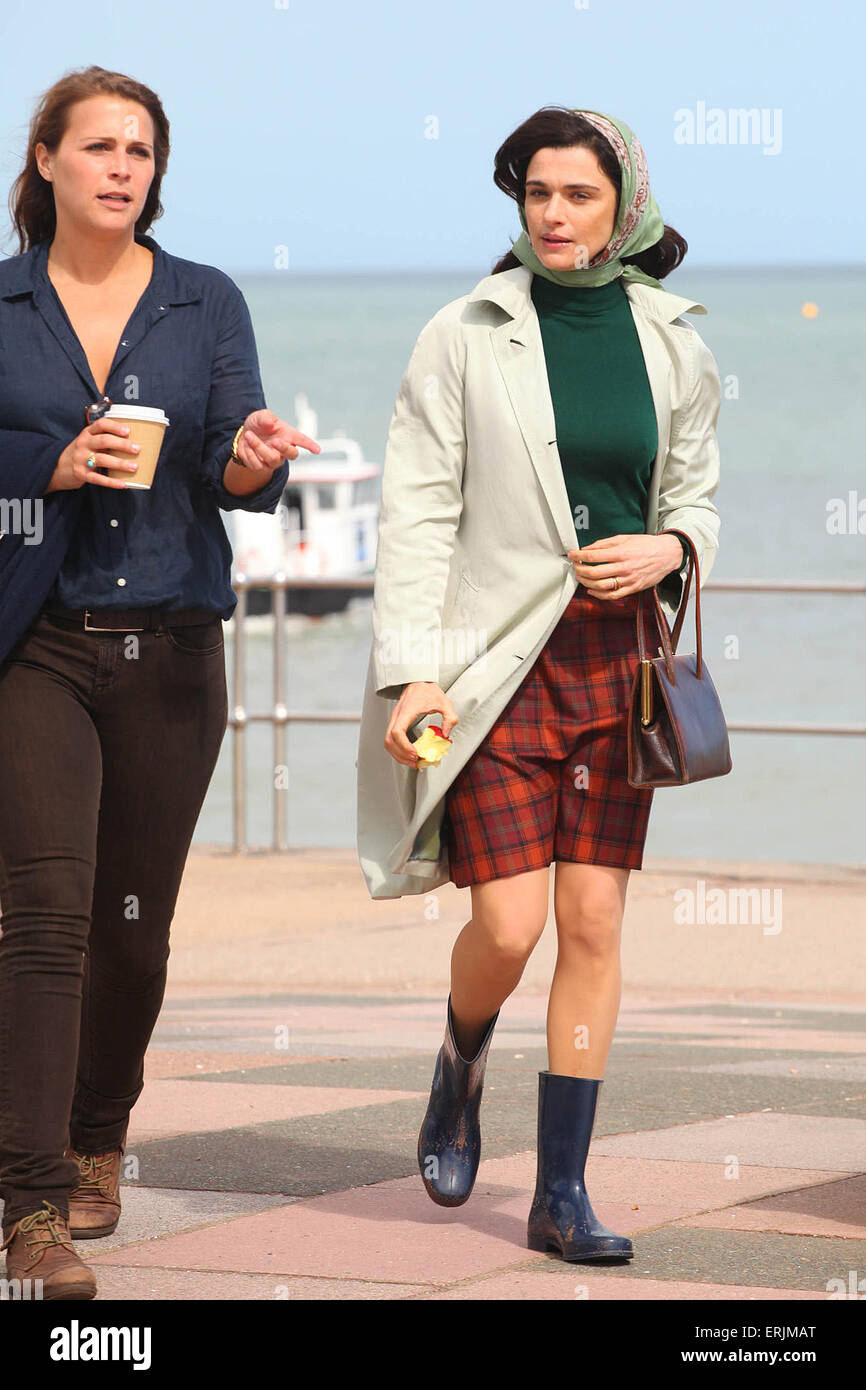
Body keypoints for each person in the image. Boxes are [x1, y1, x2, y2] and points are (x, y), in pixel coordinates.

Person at [356, 106, 722, 1263]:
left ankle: (560, 1193)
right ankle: (461, 1057)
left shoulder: (672, 337)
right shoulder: (463, 331)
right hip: (490, 666)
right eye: (536, 194)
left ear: (625, 205)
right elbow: (415, 508)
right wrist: (411, 673)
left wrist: (671, 548)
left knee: (593, 919)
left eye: (578, 195)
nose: (554, 216)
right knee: (507, 927)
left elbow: (696, 497)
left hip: (621, 666)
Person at [0, 65, 319, 1300]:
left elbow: (243, 461)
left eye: (141, 150)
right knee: (40, 921)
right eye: (100, 147)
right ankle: (30, 1205)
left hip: (176, 649)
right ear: (47, 162)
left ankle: (98, 1132)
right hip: (37, 648)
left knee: (131, 935)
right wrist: (56, 464)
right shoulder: (7, 303)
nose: (123, 167)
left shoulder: (204, 301)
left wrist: (248, 458)